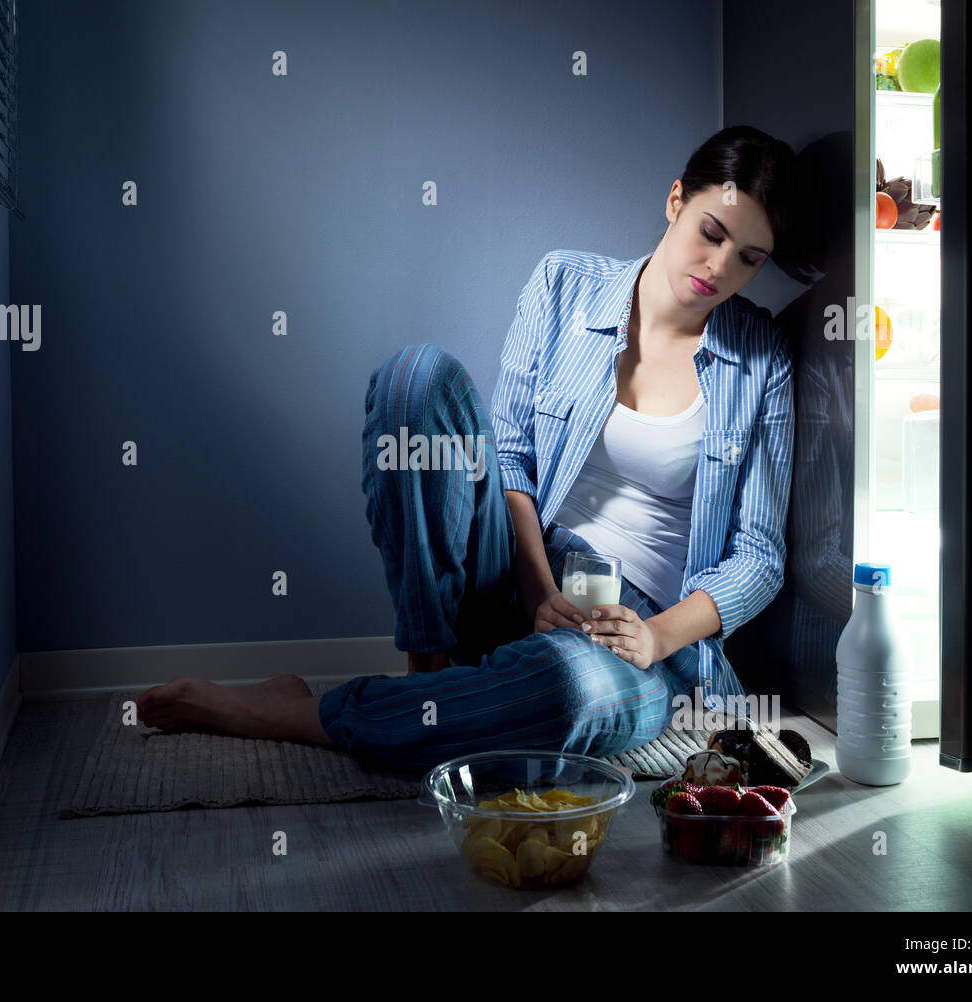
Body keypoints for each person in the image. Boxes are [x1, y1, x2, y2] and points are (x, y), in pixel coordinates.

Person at [137, 125, 798, 775]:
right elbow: (508, 457)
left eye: (749, 258)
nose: (719, 267)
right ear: (676, 200)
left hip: (638, 627)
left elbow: (759, 556)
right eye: (711, 232)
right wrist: (538, 589)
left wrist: (657, 637)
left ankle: (292, 713)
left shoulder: (762, 358)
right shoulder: (563, 283)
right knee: (416, 382)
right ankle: (425, 665)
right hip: (516, 571)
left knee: (564, 694)